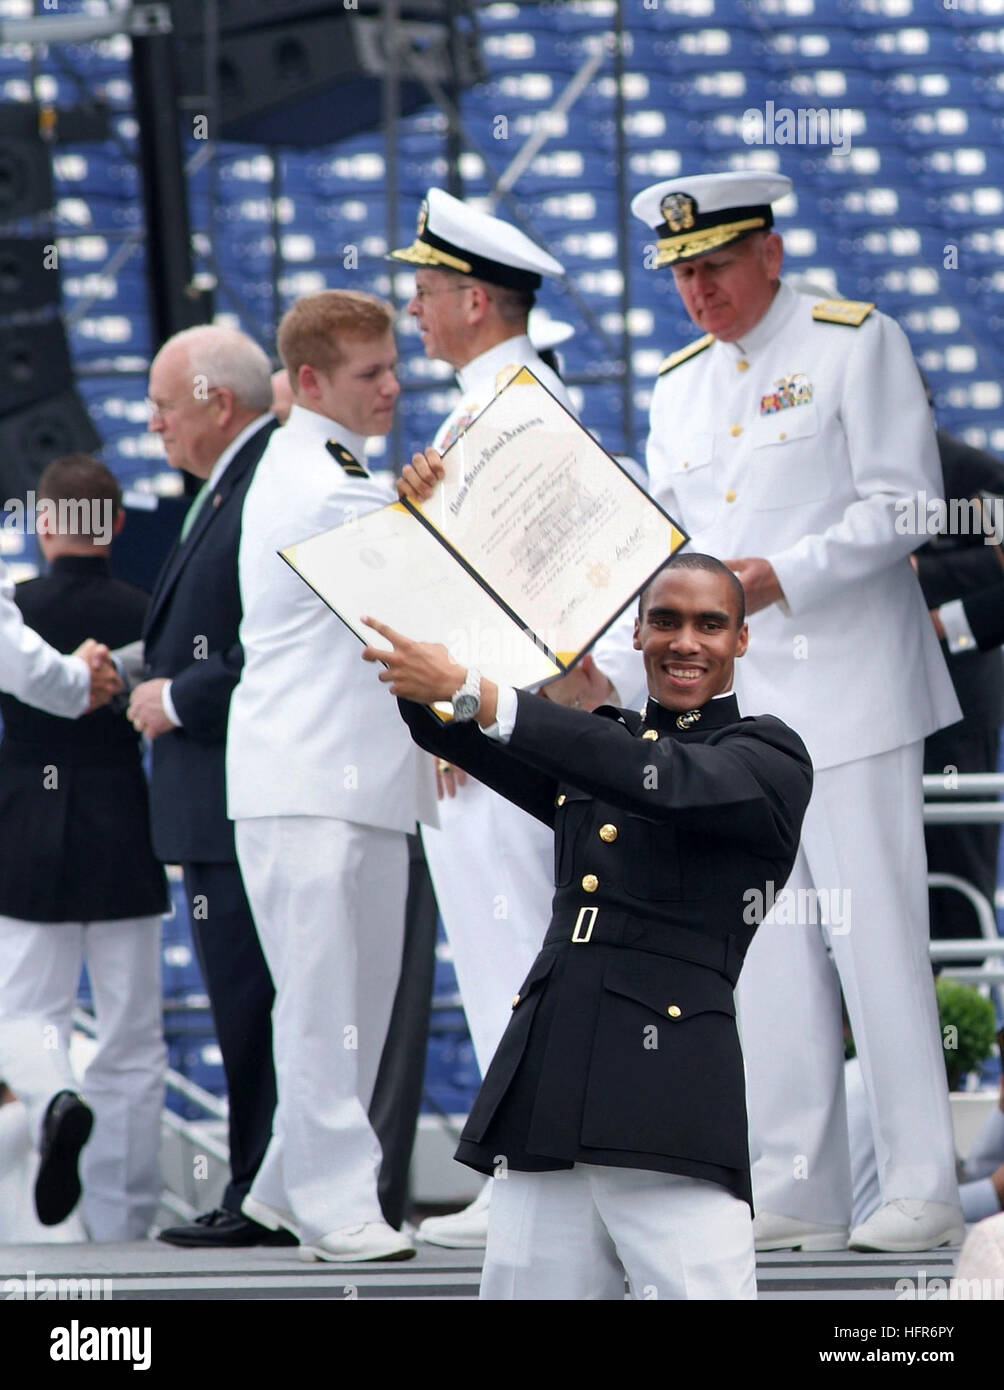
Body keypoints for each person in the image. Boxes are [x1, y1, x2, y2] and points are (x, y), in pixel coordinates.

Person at [583, 170, 965, 1254]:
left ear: (770, 255)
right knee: (769, 948)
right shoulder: (680, 382)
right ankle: (795, 1185)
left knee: (874, 936)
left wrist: (777, 574)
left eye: (712, 266)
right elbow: (665, 545)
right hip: (737, 711)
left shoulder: (855, 341)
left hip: (847, 692)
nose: (696, 290)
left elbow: (909, 505)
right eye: (681, 274)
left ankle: (921, 1186)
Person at [361, 530, 812, 1298]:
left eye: (709, 625)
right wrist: (435, 523)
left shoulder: (767, 756)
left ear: (743, 637)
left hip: (665, 1103)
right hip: (548, 1089)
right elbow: (447, 717)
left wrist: (481, 686)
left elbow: (655, 778)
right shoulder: (601, 739)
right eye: (665, 620)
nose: (684, 642)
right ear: (634, 633)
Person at [389, 186, 590, 1249]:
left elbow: (553, 571)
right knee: (498, 944)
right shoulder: (498, 396)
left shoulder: (517, 400)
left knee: (513, 943)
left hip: (502, 729)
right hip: (485, 720)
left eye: (424, 293)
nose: (412, 311)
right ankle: (524, 1172)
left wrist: (473, 706)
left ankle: (538, 1179)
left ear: (474, 299)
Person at [226, 289, 431, 1263]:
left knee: (346, 1002)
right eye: (369, 374)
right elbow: (413, 612)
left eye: (393, 366)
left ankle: (277, 1186)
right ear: (308, 382)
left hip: (336, 782)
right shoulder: (323, 480)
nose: (393, 386)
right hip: (311, 784)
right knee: (328, 1009)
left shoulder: (329, 463)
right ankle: (338, 1206)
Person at [126, 325, 287, 1249]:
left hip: (238, 795)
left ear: (214, 403)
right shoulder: (227, 483)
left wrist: (177, 698)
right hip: (220, 802)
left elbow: (261, 645)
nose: (154, 427)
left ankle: (260, 1190)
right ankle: (255, 1183)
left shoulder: (258, 480)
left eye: (161, 408)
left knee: (255, 1005)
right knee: (243, 1007)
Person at [0, 455, 167, 1238]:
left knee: (30, 1018)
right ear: (118, 525)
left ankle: (48, 1164)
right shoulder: (147, 611)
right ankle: (126, 1222)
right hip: (122, 825)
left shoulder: (16, 607)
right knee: (132, 1039)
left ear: (43, 523)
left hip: (23, 823)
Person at [914, 426, 1004, 949]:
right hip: (863, 711)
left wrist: (925, 583)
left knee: (958, 867)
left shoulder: (968, 470)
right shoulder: (832, 470)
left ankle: (962, 1023)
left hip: (958, 710)